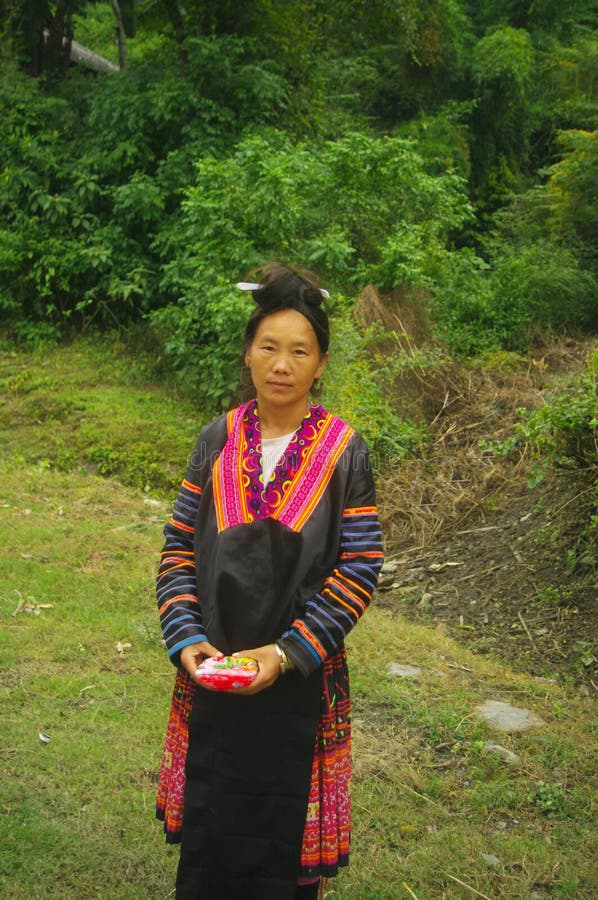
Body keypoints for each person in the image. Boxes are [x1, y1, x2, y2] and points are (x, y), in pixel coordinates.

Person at [155, 263, 384, 899]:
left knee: (282, 859)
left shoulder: (344, 453)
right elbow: (178, 546)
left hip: (301, 683)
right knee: (212, 827)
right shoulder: (216, 440)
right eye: (269, 347)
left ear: (321, 363)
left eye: (299, 350)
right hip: (213, 671)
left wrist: (287, 654)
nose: (282, 364)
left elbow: (360, 566)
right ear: (248, 355)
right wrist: (187, 638)